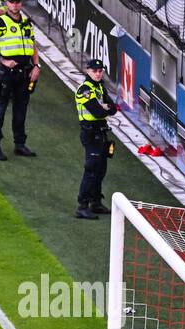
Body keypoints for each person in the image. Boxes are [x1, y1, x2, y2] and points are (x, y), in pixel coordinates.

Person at [0, 0, 40, 161]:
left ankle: (20, 144)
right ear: (7, 4)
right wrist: (2, 60)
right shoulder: (0, 22)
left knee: (21, 110)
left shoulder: (27, 23)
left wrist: (36, 65)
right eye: (11, 2)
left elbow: (33, 46)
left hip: (24, 73)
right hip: (5, 74)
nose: (15, 5)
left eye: (18, 2)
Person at [74, 59, 119, 220]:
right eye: (95, 71)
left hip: (101, 133)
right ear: (88, 71)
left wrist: (105, 108)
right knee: (91, 169)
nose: (98, 73)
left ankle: (96, 202)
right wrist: (105, 108)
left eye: (100, 70)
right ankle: (82, 206)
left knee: (100, 169)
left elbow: (113, 108)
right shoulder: (85, 89)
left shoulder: (99, 87)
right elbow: (98, 113)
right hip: (91, 134)